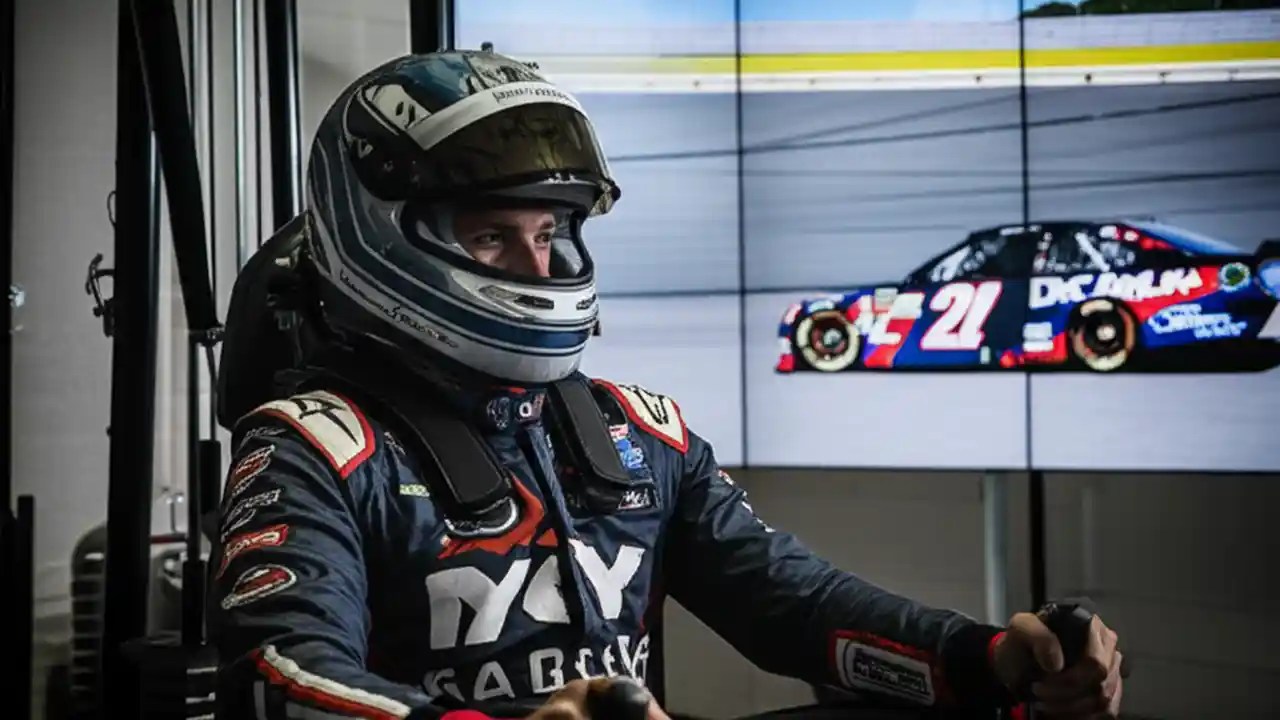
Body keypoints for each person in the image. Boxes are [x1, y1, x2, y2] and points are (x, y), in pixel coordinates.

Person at [207, 51, 1124, 720]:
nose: (535, 260)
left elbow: (795, 607)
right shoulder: (310, 447)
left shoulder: (640, 434)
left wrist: (992, 657)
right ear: (382, 237)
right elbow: (280, 676)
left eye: (551, 230)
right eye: (491, 236)